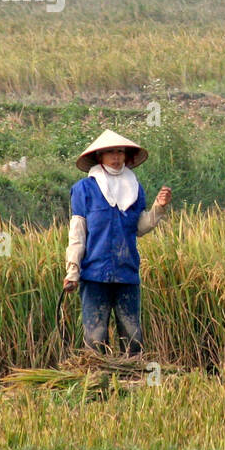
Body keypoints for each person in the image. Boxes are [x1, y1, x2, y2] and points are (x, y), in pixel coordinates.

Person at [63, 130, 172, 355]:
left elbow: (139, 228)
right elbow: (77, 234)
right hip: (94, 274)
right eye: (110, 152)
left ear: (126, 156)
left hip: (126, 272)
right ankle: (98, 381)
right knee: (95, 337)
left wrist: (158, 208)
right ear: (99, 157)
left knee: (133, 336)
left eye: (120, 152)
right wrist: (72, 271)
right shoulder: (84, 189)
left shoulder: (134, 188)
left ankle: (133, 380)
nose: (116, 157)